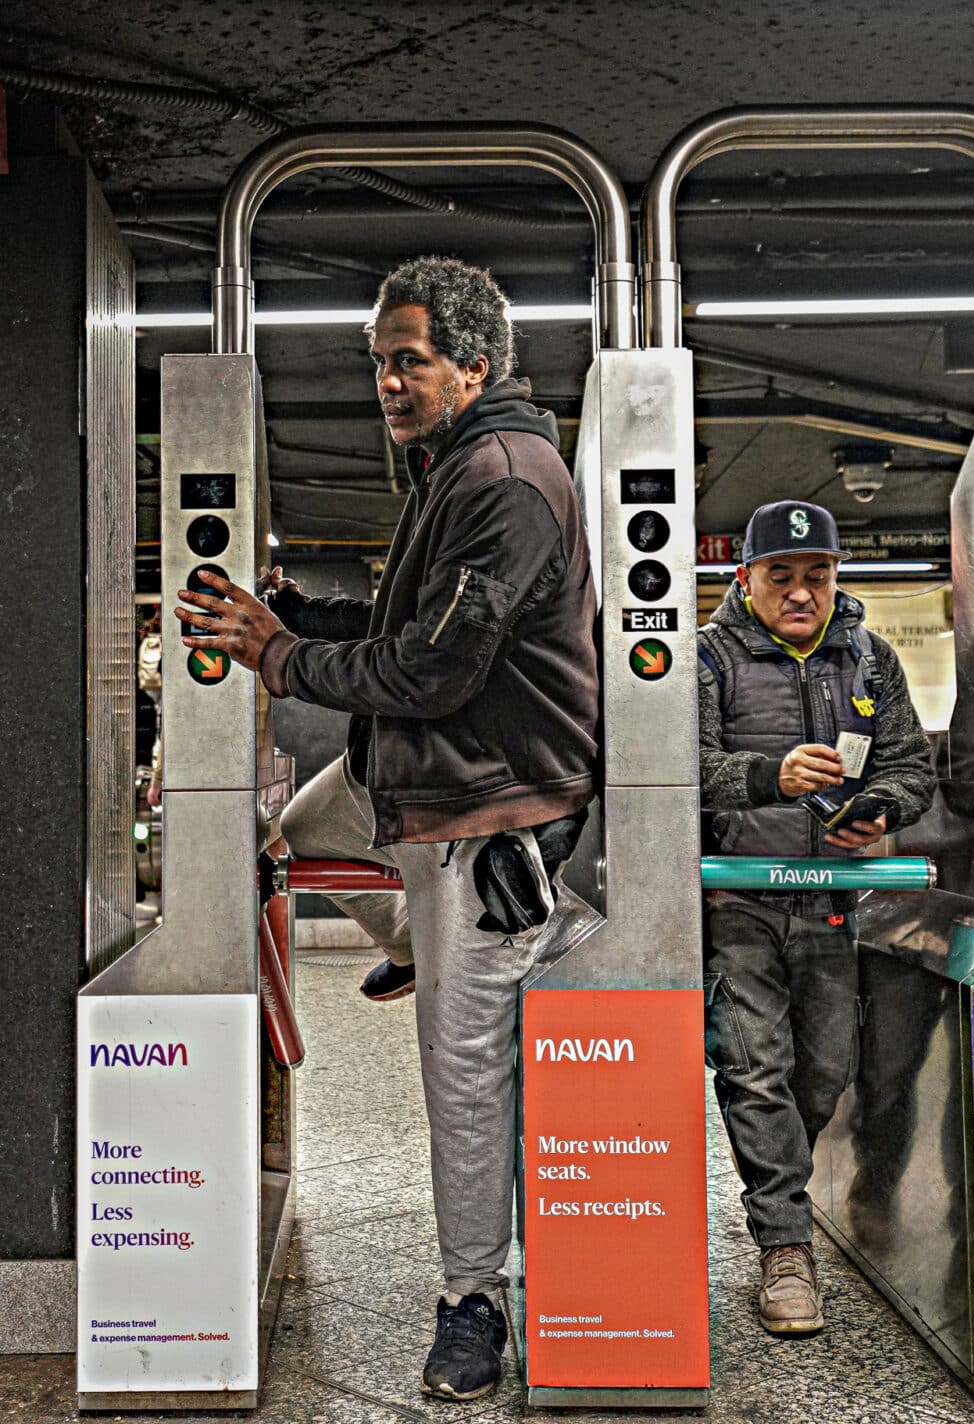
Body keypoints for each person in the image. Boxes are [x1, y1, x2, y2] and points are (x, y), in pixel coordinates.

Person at [175, 255, 599, 1402]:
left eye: (409, 359)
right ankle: (420, 944)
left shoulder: (503, 477)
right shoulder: (452, 468)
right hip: (420, 777)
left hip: (489, 800)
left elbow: (436, 664)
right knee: (305, 818)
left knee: (461, 1075)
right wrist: (300, 612)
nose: (389, 381)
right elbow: (407, 620)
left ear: (474, 363)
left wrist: (281, 655)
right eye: (379, 361)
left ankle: (474, 1301)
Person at [697, 499, 936, 1334]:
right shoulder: (707, 660)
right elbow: (680, 771)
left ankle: (778, 1188)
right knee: (754, 1065)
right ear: (747, 579)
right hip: (739, 899)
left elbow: (913, 765)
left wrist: (881, 806)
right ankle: (784, 1247)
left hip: (830, 899)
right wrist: (768, 778)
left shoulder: (869, 661)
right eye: (781, 577)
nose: (801, 594)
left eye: (817, 576)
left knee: (824, 1072)